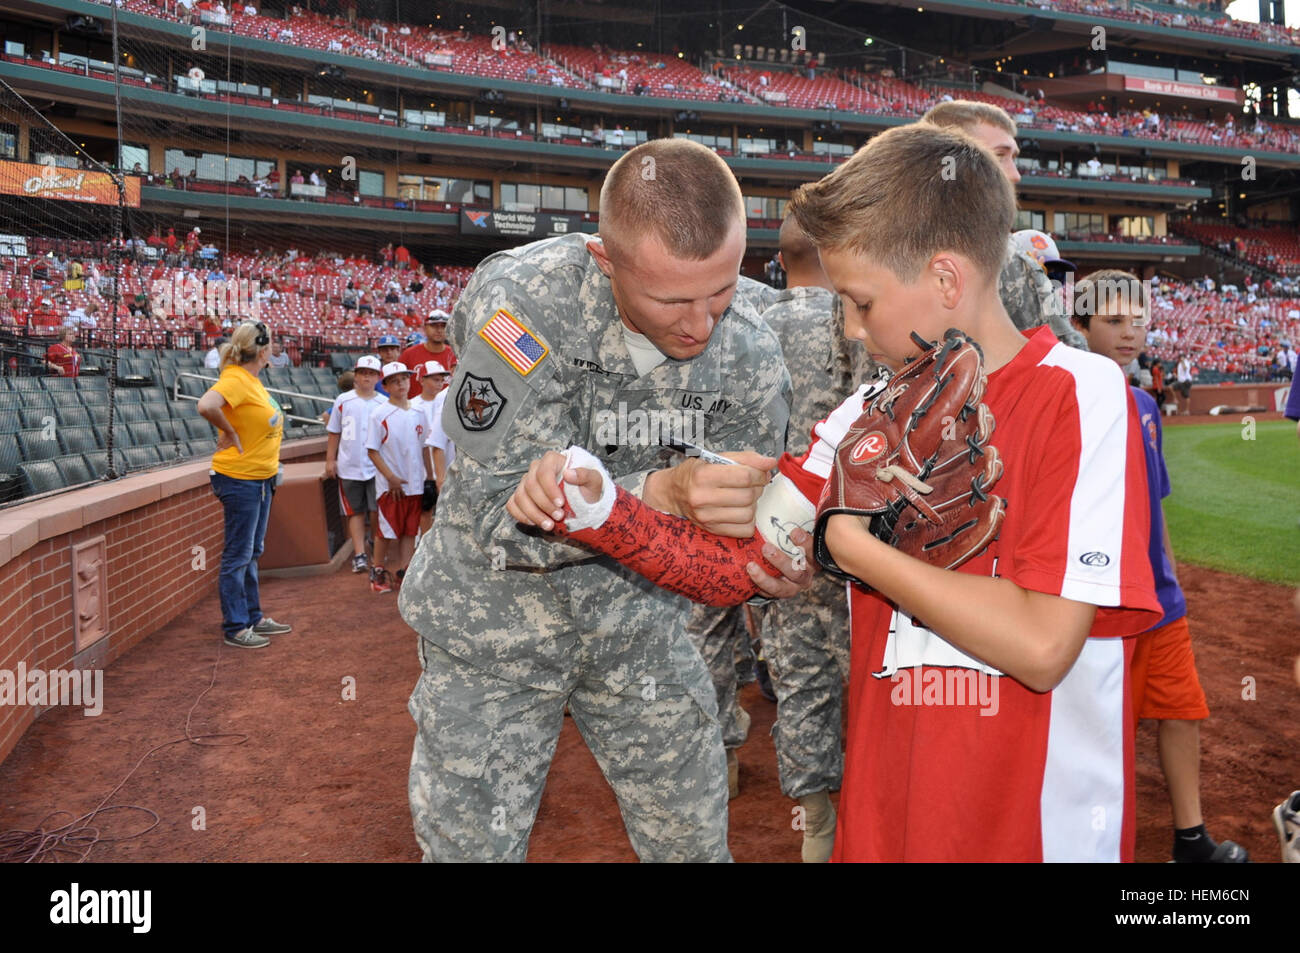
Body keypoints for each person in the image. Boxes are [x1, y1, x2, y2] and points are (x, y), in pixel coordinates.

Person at [398, 137, 806, 863]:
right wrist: (661, 493)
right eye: (672, 298)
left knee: (694, 843)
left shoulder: (749, 349)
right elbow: (492, 511)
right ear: (604, 259)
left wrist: (775, 547)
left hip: (637, 628)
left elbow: (741, 549)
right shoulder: (520, 308)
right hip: (493, 625)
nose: (702, 323)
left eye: (722, 287)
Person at [1070, 269, 1247, 863]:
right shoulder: (1069, 397)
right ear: (1080, 324)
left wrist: (1169, 571)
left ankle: (1190, 840)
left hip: (1158, 598)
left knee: (1182, 711)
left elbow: (1155, 502)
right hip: (1100, 603)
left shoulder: (1146, 404)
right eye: (1113, 321)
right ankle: (1097, 843)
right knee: (1105, 730)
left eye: (1137, 319)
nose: (1129, 332)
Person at [751, 214, 876, 861]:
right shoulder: (854, 315)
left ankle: (817, 830)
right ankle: (871, 820)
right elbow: (874, 414)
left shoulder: (753, 321)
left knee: (800, 682)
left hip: (778, 531)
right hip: (852, 531)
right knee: (871, 685)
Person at [922, 101, 1089, 351]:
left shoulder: (866, 253)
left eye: (1013, 158)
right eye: (999, 156)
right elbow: (1070, 359)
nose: (1014, 175)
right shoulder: (1008, 259)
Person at [196, 321, 291, 649]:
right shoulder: (236, 378)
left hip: (260, 477)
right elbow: (206, 405)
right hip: (239, 478)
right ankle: (236, 626)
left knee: (252, 551)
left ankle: (253, 616)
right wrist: (231, 432)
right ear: (263, 352)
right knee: (239, 554)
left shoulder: (250, 380)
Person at [365, 363, 428, 593]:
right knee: (386, 531)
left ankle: (405, 571)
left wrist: (428, 477)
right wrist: (390, 477)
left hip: (415, 483)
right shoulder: (379, 414)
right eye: (395, 380)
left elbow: (423, 448)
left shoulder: (419, 412)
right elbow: (371, 450)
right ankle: (378, 571)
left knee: (410, 531)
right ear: (386, 386)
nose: (401, 384)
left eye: (404, 379)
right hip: (390, 487)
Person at [325, 355, 387, 575]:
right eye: (363, 373)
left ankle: (373, 542)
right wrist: (330, 459)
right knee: (355, 512)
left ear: (378, 377)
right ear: (356, 376)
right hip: (349, 464)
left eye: (371, 374)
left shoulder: (383, 402)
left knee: (375, 509)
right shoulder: (343, 400)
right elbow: (334, 432)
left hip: (376, 466)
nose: (366, 378)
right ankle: (360, 554)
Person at [408, 360, 450, 535]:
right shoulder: (412, 405)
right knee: (425, 508)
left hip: (446, 461)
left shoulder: (448, 400)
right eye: (434, 379)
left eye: (441, 379)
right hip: (422, 466)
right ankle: (423, 542)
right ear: (422, 380)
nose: (439, 383)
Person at [398, 311, 457, 400]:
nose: (439, 330)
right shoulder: (409, 354)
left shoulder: (456, 356)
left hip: (445, 411)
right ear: (425, 327)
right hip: (415, 410)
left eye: (443, 326)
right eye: (434, 326)